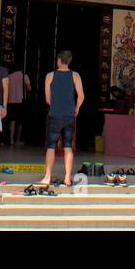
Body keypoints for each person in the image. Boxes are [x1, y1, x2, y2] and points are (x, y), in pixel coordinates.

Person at [38, 50, 84, 187]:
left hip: (55, 114)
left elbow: (47, 98)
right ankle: (67, 178)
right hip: (70, 115)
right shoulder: (75, 76)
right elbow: (81, 96)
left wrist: (56, 106)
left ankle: (47, 177)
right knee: (68, 146)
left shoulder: (50, 76)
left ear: (59, 60)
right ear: (69, 61)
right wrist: (76, 108)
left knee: (51, 146)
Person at [6, 64, 33, 148]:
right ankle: (17, 140)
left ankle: (11, 140)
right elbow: (29, 88)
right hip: (20, 101)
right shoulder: (24, 76)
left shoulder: (9, 76)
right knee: (20, 122)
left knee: (12, 121)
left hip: (10, 100)